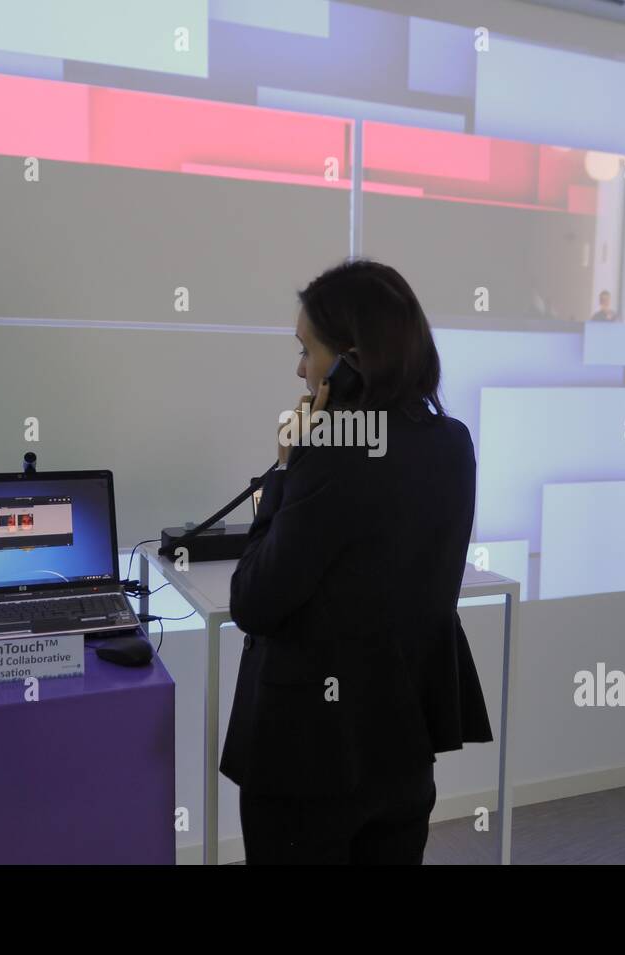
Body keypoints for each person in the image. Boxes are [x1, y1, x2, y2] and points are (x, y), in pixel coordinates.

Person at [222, 259, 493, 864]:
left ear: (348, 359)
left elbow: (255, 600)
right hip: (403, 746)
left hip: (308, 760)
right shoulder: (453, 444)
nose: (299, 367)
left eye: (306, 350)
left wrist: (288, 465)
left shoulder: (330, 450)